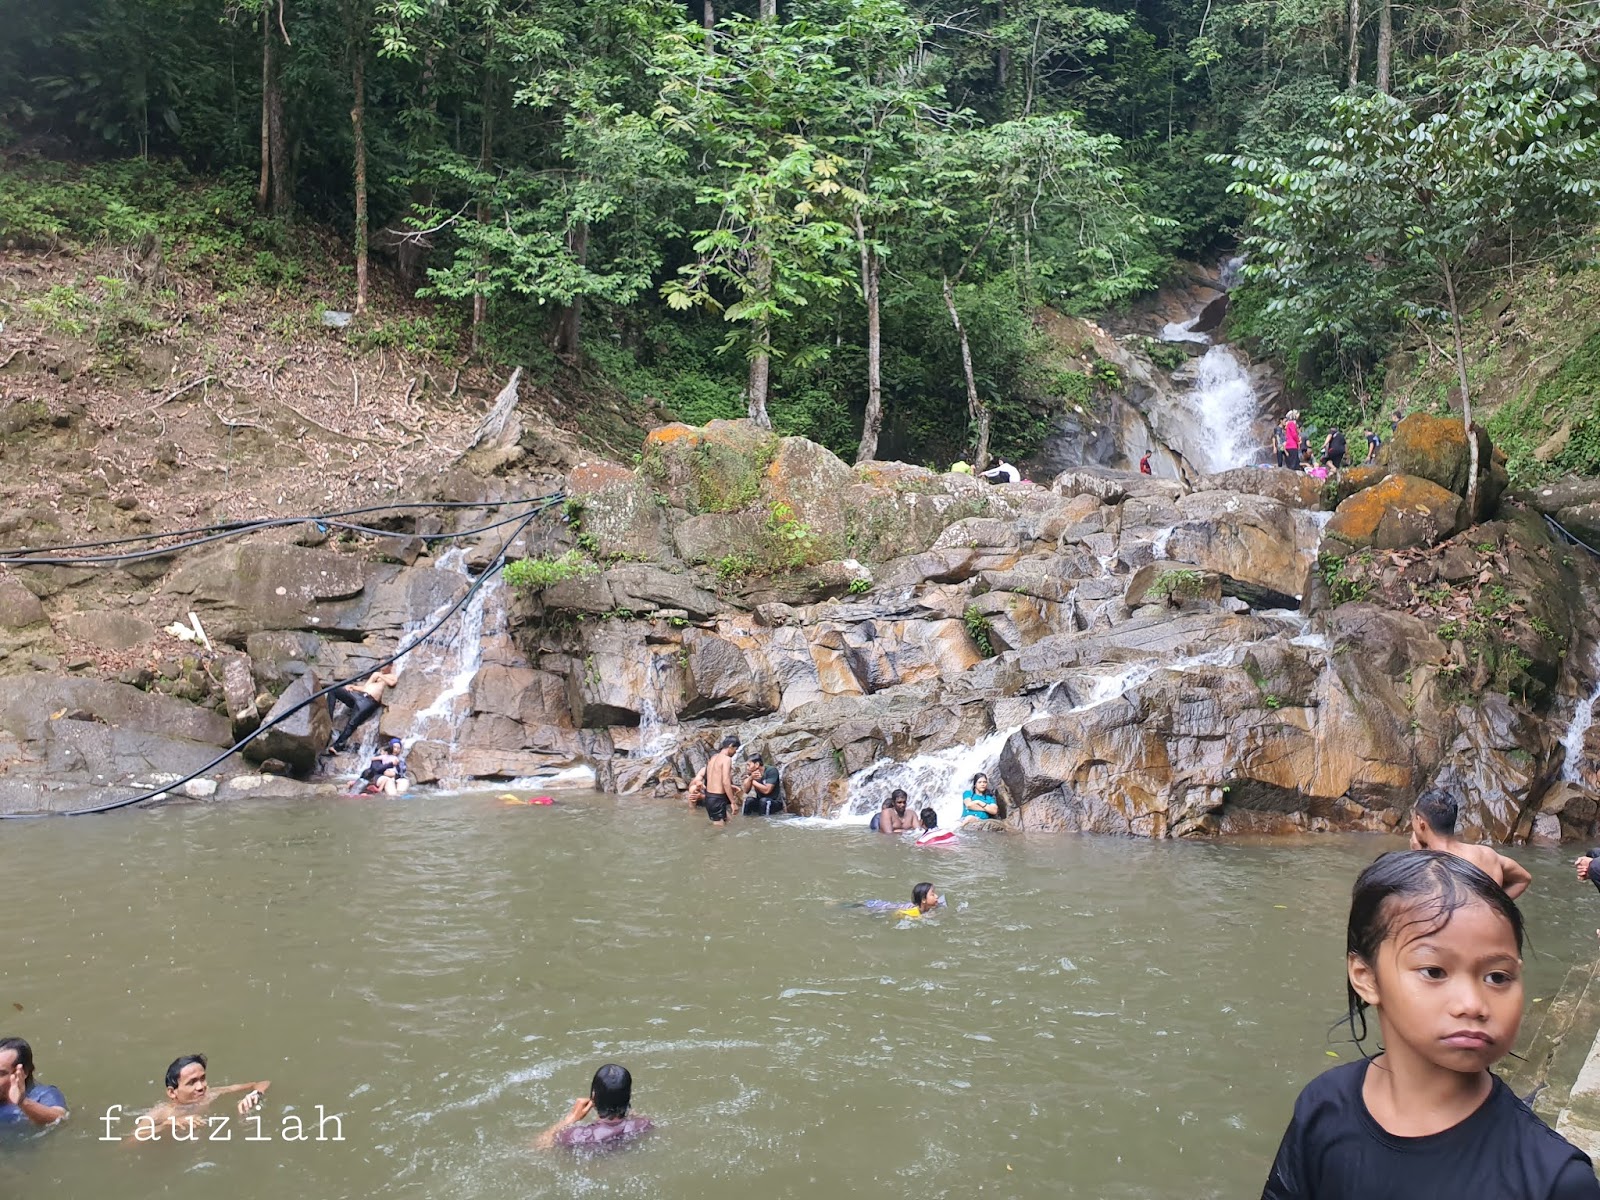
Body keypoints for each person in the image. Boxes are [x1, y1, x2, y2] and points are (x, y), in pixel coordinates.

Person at [1260, 850, 1599, 1199]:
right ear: (1366, 978)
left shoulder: (1556, 1180)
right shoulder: (1322, 1107)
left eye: (1498, 977)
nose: (1473, 1004)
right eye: (1434, 971)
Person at [1409, 788, 1531, 900]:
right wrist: (1498, 908)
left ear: (1421, 823)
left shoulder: (1427, 866)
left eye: (1413, 818)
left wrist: (1419, 857)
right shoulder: (1486, 855)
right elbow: (1524, 879)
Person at [128, 1054, 270, 1142]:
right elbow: (131, 1141)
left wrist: (255, 1094)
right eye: (191, 1082)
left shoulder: (210, 1094)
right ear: (172, 1093)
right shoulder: (162, 1112)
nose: (201, 1087)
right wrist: (168, 1124)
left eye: (202, 1079)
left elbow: (262, 1083)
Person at [536, 1064, 652, 1150]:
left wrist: (571, 1118)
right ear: (628, 1095)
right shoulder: (643, 1125)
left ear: (593, 1095)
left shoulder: (576, 1136)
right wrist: (625, 1108)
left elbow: (539, 1145)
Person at [326, 664, 401, 754]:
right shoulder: (375, 675)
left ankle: (337, 746)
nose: (382, 666)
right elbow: (365, 687)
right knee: (333, 690)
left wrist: (381, 676)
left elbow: (393, 683)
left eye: (384, 664)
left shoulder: (392, 676)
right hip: (359, 696)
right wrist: (353, 687)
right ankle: (327, 718)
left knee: (352, 723)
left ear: (390, 665)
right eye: (381, 664)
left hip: (369, 701)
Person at [0, 1037, 66, 1130]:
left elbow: (60, 1119)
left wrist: (23, 1102)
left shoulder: (43, 1095)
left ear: (24, 1072)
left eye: (1, 1073)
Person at [688, 736, 739, 826]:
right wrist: (733, 802)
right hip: (717, 799)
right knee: (719, 830)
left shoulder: (713, 758)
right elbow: (725, 781)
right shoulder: (726, 759)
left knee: (729, 822)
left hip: (710, 797)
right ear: (730, 746)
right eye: (735, 749)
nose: (735, 752)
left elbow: (713, 778)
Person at [740, 751, 783, 816]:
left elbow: (767, 790)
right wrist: (750, 778)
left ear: (757, 764)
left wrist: (753, 781)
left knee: (764, 801)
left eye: (749, 765)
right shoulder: (751, 772)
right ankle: (746, 821)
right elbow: (746, 790)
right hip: (760, 801)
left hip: (774, 802)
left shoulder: (771, 771)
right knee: (748, 800)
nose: (747, 768)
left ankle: (764, 822)